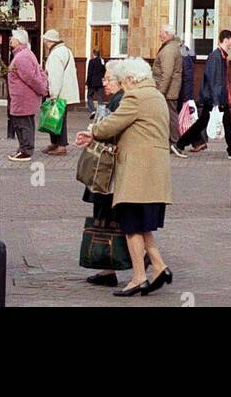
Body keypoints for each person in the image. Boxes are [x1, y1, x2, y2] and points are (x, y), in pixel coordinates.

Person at [78, 57, 173, 296]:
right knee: (143, 226)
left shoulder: (135, 96)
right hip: (155, 171)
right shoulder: (157, 96)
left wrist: (93, 132)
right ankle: (160, 267)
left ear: (131, 79)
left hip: (137, 172)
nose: (121, 85)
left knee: (130, 226)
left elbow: (113, 124)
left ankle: (139, 277)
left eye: (122, 81)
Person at [78, 60, 126, 286]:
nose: (103, 83)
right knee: (107, 214)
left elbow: (112, 131)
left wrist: (94, 132)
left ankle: (143, 261)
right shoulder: (116, 100)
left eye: (108, 79)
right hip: (106, 167)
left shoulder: (121, 101)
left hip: (108, 170)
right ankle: (107, 268)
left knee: (109, 213)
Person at [175, 29, 231, 157]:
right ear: (225, 40)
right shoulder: (216, 56)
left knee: (221, 122)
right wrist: (217, 101)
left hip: (216, 97)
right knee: (214, 123)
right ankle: (179, 144)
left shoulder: (221, 56)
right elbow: (213, 80)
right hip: (215, 98)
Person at [6, 27, 49, 161]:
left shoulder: (21, 57)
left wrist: (42, 89)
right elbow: (39, 73)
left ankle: (26, 150)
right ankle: (24, 148)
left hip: (23, 98)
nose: (10, 40)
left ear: (18, 40)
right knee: (25, 123)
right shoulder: (26, 54)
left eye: (12, 38)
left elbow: (31, 78)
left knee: (22, 124)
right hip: (25, 97)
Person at [42, 28, 81, 155]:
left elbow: (55, 76)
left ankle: (61, 145)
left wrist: (53, 94)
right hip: (67, 91)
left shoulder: (55, 55)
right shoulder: (66, 51)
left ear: (49, 42)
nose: (44, 44)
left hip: (60, 93)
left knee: (58, 119)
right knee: (56, 118)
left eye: (45, 41)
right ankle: (55, 143)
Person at [152, 24, 184, 151]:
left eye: (161, 33)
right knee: (169, 115)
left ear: (167, 34)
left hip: (167, 91)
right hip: (169, 89)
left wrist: (160, 92)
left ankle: (174, 142)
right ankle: (171, 141)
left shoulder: (168, 50)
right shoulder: (171, 47)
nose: (160, 35)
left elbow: (167, 73)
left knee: (170, 115)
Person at [85, 48, 106, 117]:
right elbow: (104, 71)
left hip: (92, 82)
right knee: (99, 97)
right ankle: (101, 112)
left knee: (89, 96)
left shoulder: (91, 61)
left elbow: (89, 72)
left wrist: (87, 82)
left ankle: (92, 110)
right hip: (99, 82)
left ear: (93, 53)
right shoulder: (102, 61)